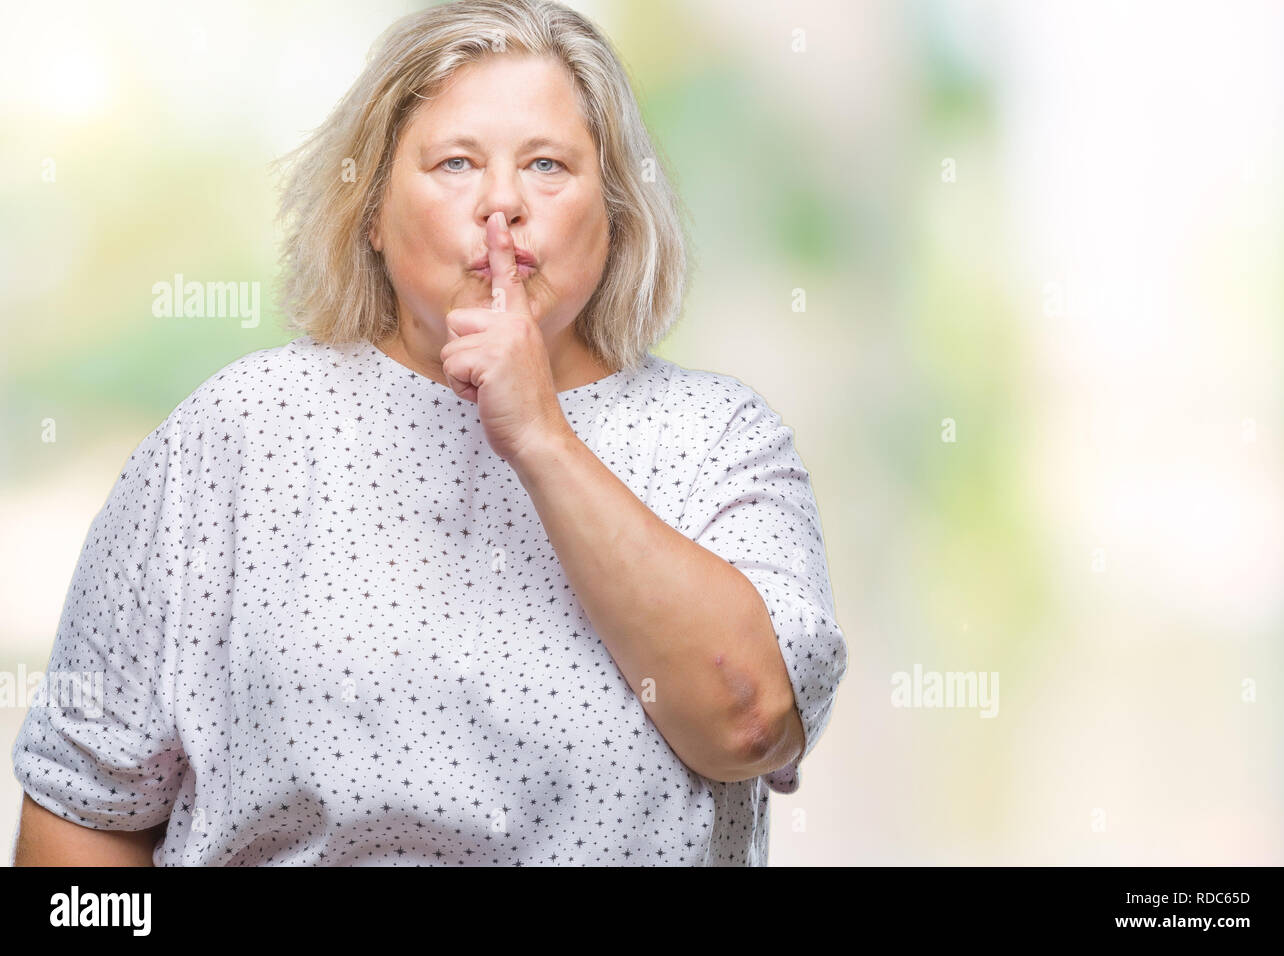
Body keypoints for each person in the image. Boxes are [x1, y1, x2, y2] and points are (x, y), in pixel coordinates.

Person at [11, 0, 847, 866]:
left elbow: (748, 724)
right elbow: (84, 809)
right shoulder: (234, 436)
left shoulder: (718, 441)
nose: (502, 203)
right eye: (455, 163)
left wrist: (540, 438)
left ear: (616, 213)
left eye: (549, 166)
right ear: (372, 212)